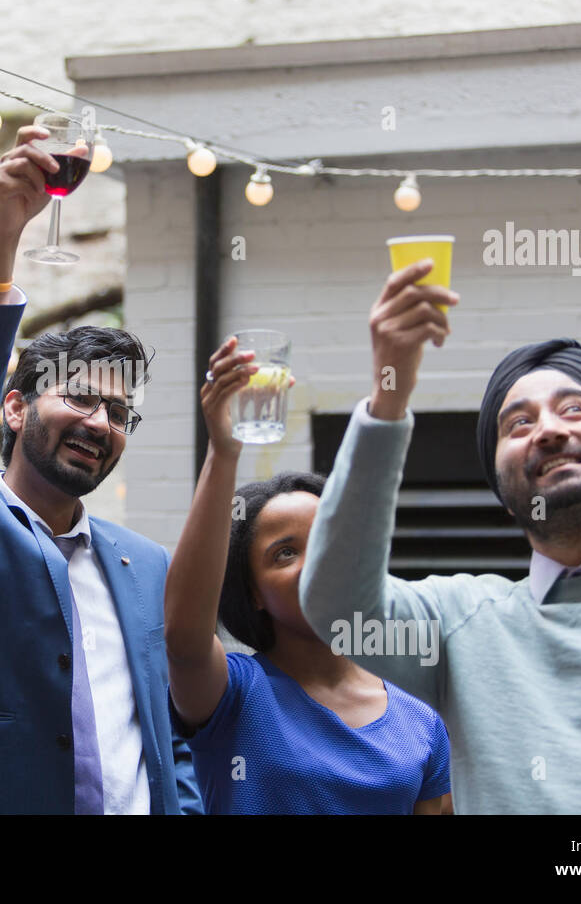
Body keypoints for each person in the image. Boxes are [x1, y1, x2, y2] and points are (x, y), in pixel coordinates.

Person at [298, 259, 581, 814]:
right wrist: (389, 400)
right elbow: (338, 611)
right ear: (506, 491)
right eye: (519, 424)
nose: (550, 430)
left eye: (575, 408)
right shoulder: (459, 624)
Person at [0, 125, 200, 814]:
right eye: (80, 396)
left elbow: (164, 731)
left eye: (119, 413)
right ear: (16, 409)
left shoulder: (146, 565)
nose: (100, 422)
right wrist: (3, 240)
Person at [164, 336, 450, 814]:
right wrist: (223, 452)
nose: (315, 561)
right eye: (284, 553)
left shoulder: (420, 719)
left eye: (328, 542)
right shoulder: (233, 695)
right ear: (252, 592)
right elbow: (183, 637)